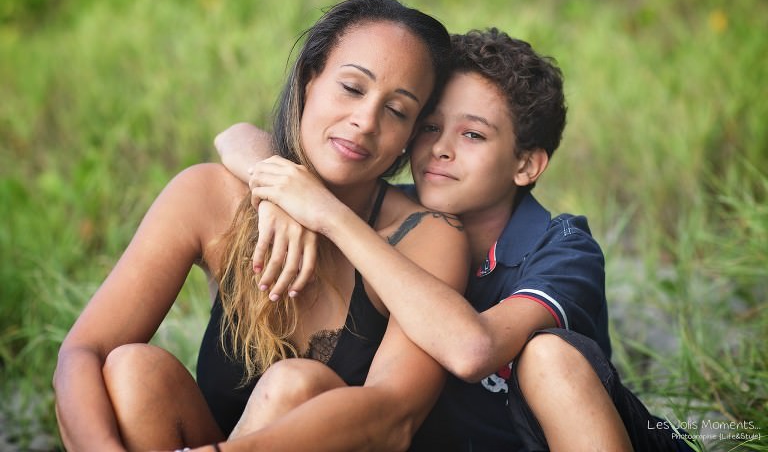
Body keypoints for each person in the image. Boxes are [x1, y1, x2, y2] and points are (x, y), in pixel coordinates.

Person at [217, 28, 694, 451]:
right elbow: (236, 136)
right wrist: (280, 194)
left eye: (473, 135)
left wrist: (328, 215)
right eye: (429, 126)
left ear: (526, 164)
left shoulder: (561, 247)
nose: (440, 148)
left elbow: (475, 350)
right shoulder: (396, 216)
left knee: (548, 354)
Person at [53, 0, 470, 452]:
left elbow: (393, 419)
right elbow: (82, 352)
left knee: (295, 383)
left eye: (397, 111)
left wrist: (323, 213)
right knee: (133, 371)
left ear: (411, 135)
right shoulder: (210, 196)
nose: (365, 121)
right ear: (310, 80)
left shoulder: (426, 236)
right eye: (352, 88)